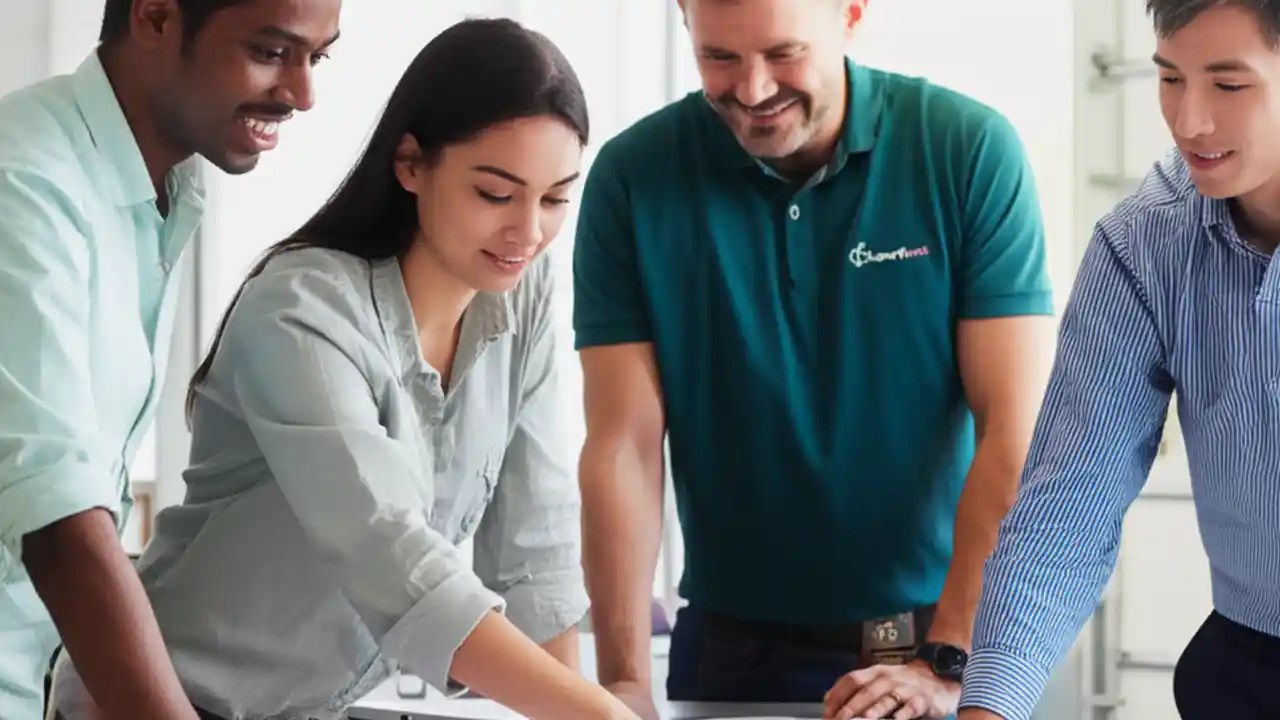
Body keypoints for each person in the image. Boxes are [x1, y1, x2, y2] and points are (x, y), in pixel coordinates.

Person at [49, 16, 641, 720]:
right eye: (494, 193)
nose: (529, 233)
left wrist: (574, 710)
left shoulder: (521, 297)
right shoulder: (301, 311)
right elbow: (390, 555)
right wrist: (600, 715)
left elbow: (533, 543)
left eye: (554, 199)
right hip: (157, 702)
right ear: (411, 164)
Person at [572, 0, 1057, 718]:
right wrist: (622, 684)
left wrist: (948, 663)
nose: (755, 90)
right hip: (726, 649)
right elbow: (623, 445)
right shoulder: (632, 176)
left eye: (783, 53)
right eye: (720, 58)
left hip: (930, 635)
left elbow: (1014, 434)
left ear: (852, 12)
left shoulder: (967, 150)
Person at [0, 0, 339, 717]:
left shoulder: (169, 190)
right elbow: (57, 518)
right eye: (272, 51)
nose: (304, 95)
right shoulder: (24, 179)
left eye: (319, 57)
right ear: (155, 17)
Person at [959, 2, 1280, 719]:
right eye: (1170, 78)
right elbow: (1068, 501)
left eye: (1229, 86)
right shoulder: (1143, 243)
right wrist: (989, 705)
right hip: (1246, 671)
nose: (1189, 120)